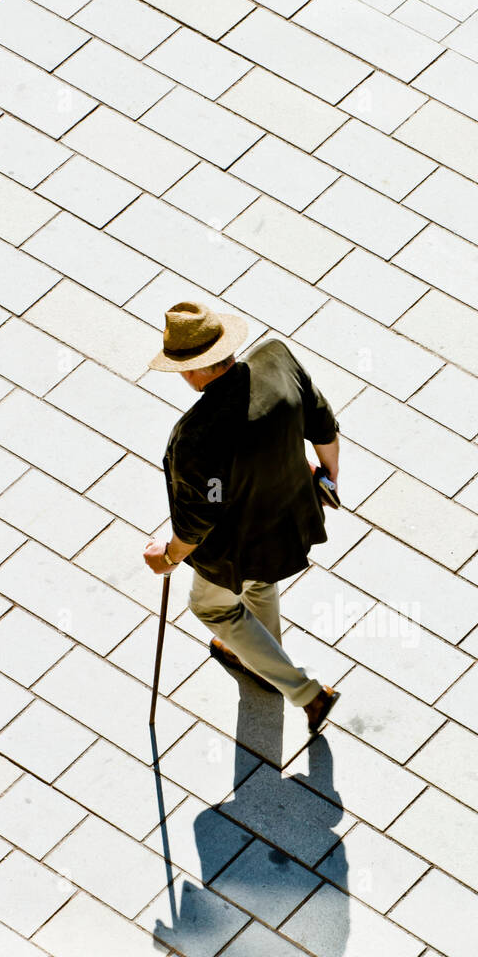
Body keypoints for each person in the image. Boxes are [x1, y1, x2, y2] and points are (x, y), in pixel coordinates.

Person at [143, 301, 341, 733]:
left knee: (213, 608)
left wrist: (169, 558)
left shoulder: (195, 436)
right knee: (259, 582)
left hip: (233, 545)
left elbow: (196, 524)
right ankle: (259, 659)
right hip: (286, 518)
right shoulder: (276, 358)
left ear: (193, 369)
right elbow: (324, 426)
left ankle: (307, 693)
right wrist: (329, 478)